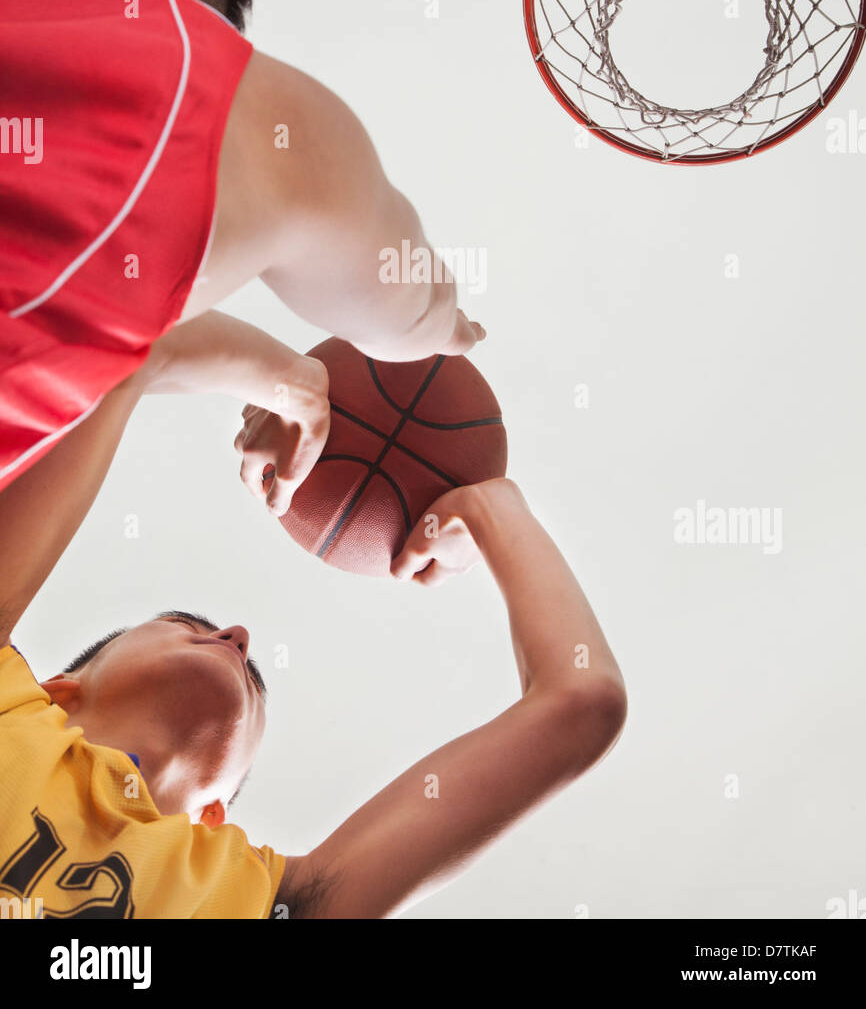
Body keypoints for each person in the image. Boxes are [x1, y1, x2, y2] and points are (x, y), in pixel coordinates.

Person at [0, 328, 627, 919]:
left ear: (215, 814)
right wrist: (285, 381)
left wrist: (493, 506)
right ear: (56, 693)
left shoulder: (261, 900)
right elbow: (120, 348)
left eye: (254, 682)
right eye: (186, 622)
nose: (238, 639)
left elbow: (582, 703)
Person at [0, 0, 481, 505]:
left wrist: (286, 378)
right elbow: (400, 309)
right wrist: (447, 321)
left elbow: (121, 343)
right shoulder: (194, 78)